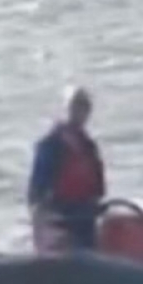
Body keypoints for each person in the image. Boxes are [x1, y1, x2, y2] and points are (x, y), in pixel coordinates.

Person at [26, 87, 105, 251]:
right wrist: (40, 218)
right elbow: (37, 190)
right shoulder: (51, 144)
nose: (79, 112)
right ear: (67, 109)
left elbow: (98, 187)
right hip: (59, 215)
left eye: (84, 107)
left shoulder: (89, 146)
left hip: (85, 215)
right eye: (75, 106)